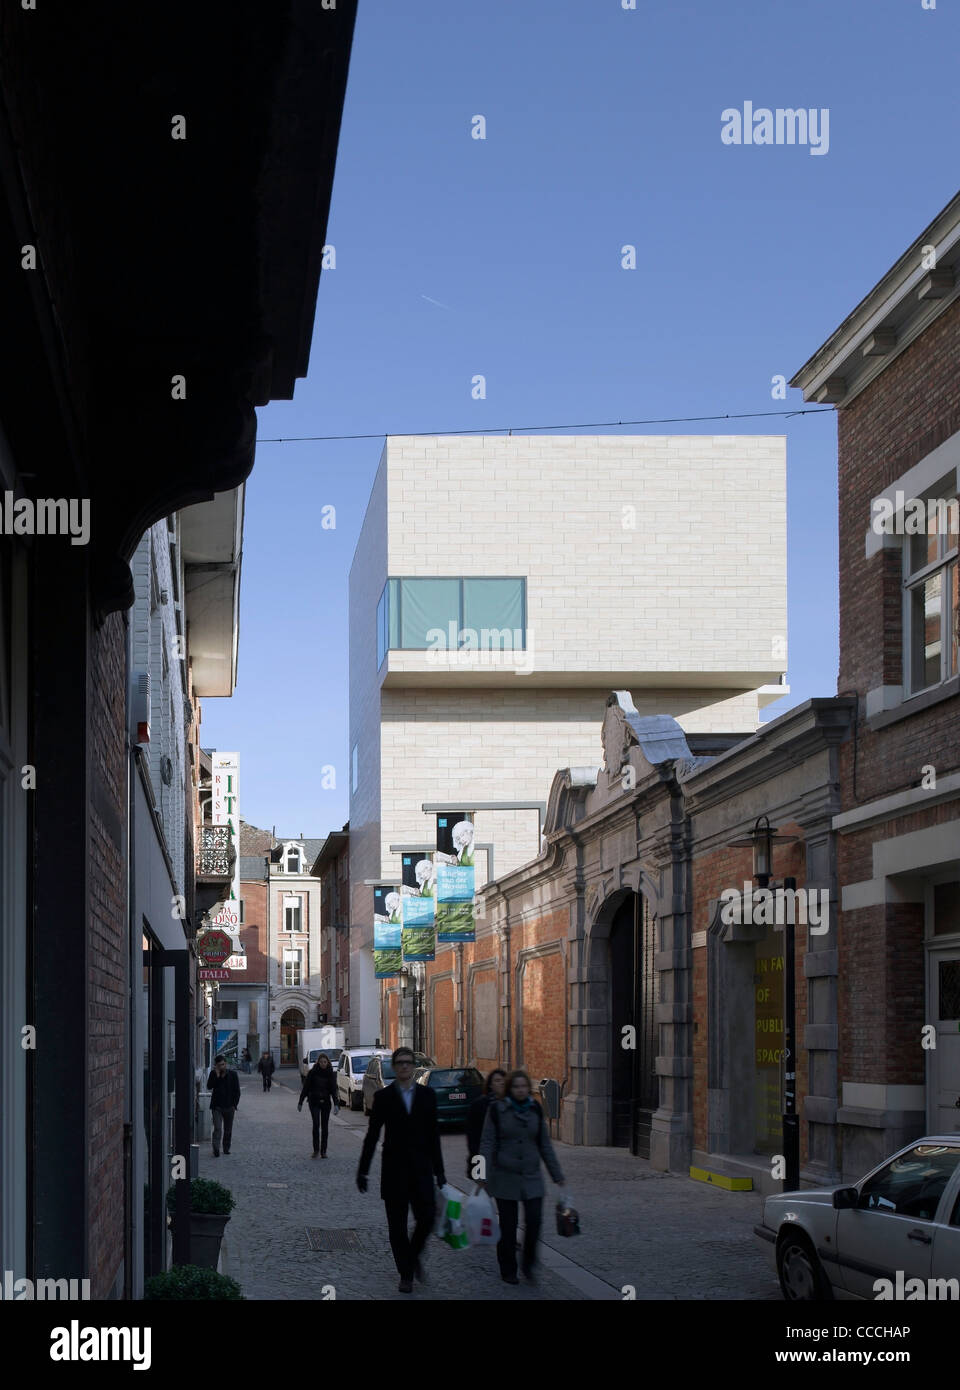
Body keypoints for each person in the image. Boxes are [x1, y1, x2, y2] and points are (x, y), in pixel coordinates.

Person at [356, 1045, 446, 1294]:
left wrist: (440, 1171)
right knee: (396, 1228)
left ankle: (413, 1255)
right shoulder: (383, 1098)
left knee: (427, 1219)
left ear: (414, 1066)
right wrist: (363, 1170)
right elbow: (372, 1136)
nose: (405, 1066)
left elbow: (433, 1136)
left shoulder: (428, 1096)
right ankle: (405, 1274)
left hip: (421, 1169)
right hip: (394, 1171)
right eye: (400, 1062)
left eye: (408, 1062)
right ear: (395, 1067)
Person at [478, 1068, 566, 1285]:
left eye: (524, 1086)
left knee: (534, 1221)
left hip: (531, 1175)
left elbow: (544, 1144)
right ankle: (508, 1269)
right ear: (510, 1089)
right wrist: (481, 1173)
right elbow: (487, 1143)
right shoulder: (497, 1110)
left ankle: (528, 1263)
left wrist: (557, 1174)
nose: (520, 1090)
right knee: (508, 1225)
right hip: (505, 1175)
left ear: (529, 1088)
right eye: (516, 1086)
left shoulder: (535, 1108)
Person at [298, 1052, 341, 1157]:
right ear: (318, 1062)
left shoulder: (330, 1073)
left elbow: (333, 1089)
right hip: (314, 1101)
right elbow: (306, 1087)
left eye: (325, 1062)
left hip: (326, 1102)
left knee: (325, 1127)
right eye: (321, 1062)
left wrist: (336, 1104)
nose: (323, 1064)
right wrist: (301, 1101)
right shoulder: (313, 1072)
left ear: (328, 1062)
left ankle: (323, 1151)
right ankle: (316, 1150)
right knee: (316, 1124)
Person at [466, 1068, 506, 1175]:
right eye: (497, 1080)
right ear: (490, 1085)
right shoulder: (479, 1105)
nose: (502, 1083)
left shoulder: (512, 1105)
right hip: (485, 1158)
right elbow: (474, 1140)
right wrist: (479, 1169)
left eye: (504, 1080)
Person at [206, 1055, 241, 1157]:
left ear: (225, 1063)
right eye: (219, 1065)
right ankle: (216, 1149)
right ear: (216, 1066)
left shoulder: (233, 1074)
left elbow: (237, 1091)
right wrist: (216, 1076)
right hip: (217, 1107)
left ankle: (226, 1148)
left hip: (229, 1107)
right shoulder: (213, 1074)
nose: (222, 1067)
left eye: (223, 1064)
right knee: (217, 1128)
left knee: (228, 1130)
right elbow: (209, 1086)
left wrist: (234, 1105)